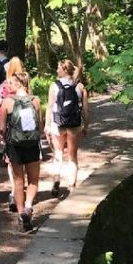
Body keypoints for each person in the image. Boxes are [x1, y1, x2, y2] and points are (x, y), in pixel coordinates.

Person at [0, 71, 43, 232]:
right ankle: (29, 207)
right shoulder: (36, 101)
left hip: (15, 146)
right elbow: (40, 126)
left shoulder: (7, 103)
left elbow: (2, 128)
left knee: (18, 181)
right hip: (32, 144)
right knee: (33, 180)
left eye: (10, 82)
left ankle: (21, 212)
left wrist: (3, 142)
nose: (8, 85)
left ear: (18, 84)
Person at [47, 59, 90, 188]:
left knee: (58, 153)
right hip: (75, 125)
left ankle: (56, 179)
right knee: (72, 156)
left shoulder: (54, 86)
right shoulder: (80, 87)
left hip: (57, 124)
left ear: (64, 69)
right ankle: (72, 184)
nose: (56, 70)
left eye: (58, 68)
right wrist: (86, 125)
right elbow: (86, 109)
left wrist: (47, 125)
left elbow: (50, 107)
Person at [0, 57, 27, 212]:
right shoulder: (25, 82)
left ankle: (14, 190)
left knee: (11, 161)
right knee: (26, 160)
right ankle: (20, 190)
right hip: (26, 128)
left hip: (9, 127)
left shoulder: (3, 86)